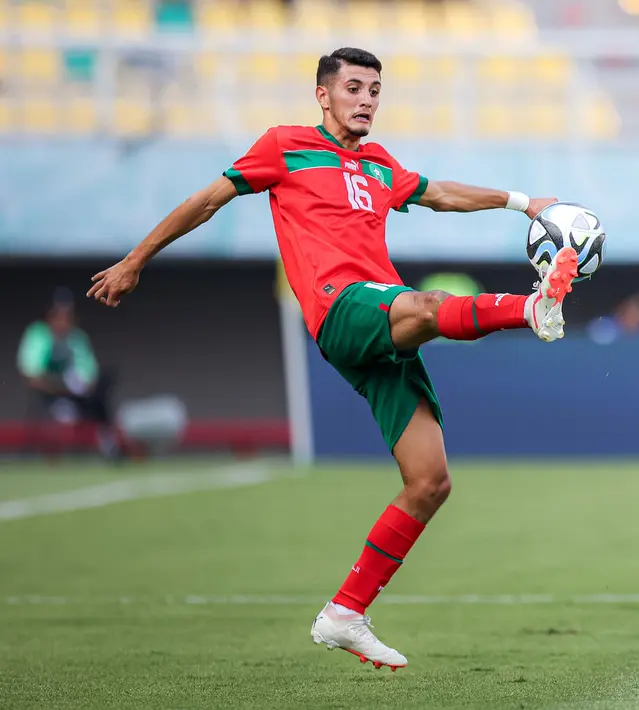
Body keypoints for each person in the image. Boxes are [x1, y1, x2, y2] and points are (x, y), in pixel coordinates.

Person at [86, 47, 579, 672]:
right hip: (341, 308)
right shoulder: (283, 146)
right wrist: (136, 260)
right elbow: (208, 200)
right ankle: (532, 309)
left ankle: (345, 613)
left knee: (429, 481)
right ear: (324, 95)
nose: (367, 98)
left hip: (379, 320)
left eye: (375, 88)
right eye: (353, 87)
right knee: (428, 305)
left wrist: (524, 202)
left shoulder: (378, 163)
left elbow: (440, 194)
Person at [19, 287, 121, 460]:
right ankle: (53, 455)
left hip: (77, 395)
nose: (63, 320)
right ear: (50, 315)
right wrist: (60, 386)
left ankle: (109, 445)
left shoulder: (76, 337)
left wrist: (82, 384)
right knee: (61, 413)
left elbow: (89, 371)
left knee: (104, 387)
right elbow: (32, 375)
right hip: (50, 395)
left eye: (67, 315)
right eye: (59, 314)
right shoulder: (38, 335)